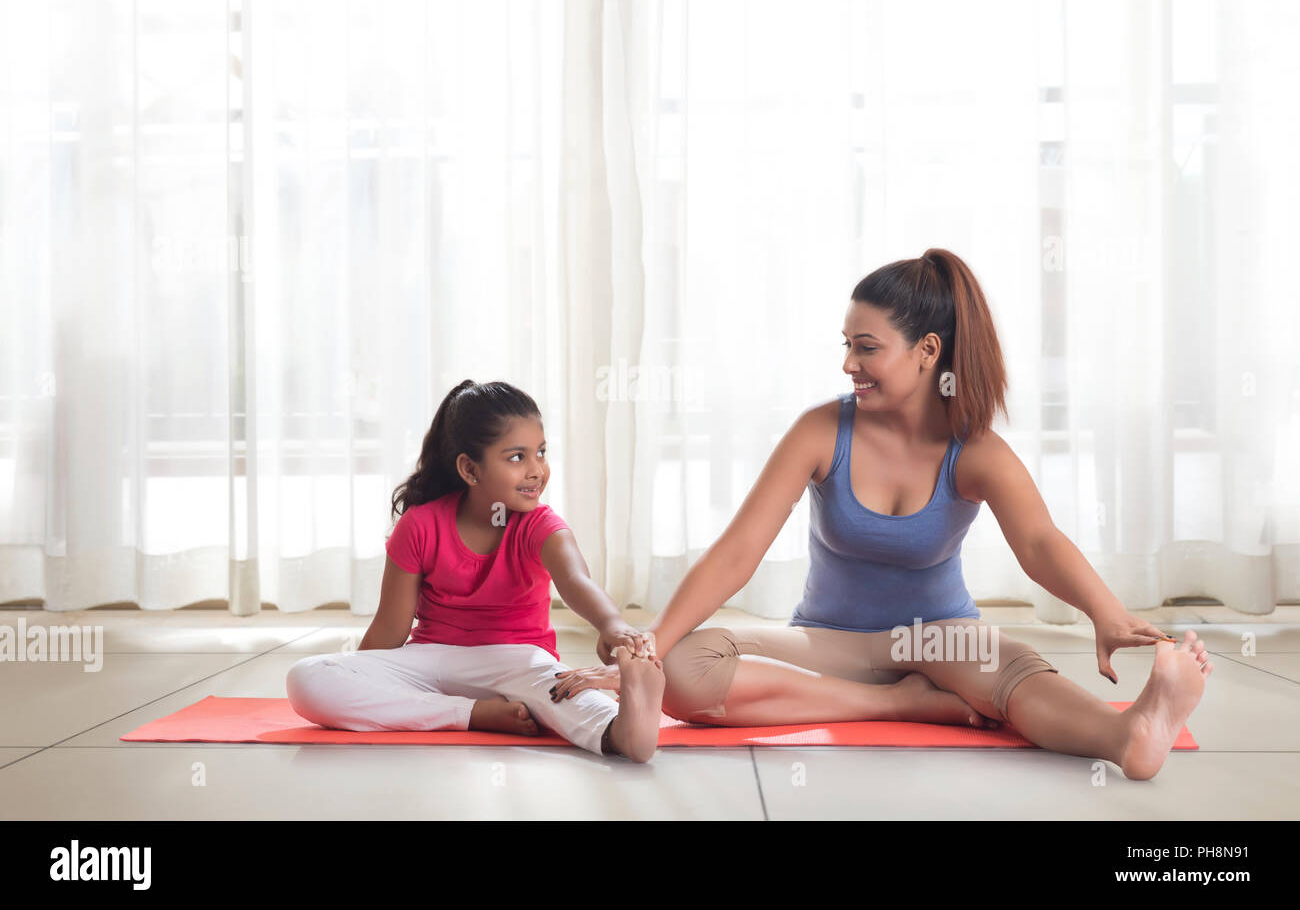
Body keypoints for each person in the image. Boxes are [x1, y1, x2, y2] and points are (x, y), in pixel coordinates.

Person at [554, 248, 1212, 780]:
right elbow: (736, 553)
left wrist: (1105, 611)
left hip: (938, 640)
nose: (848, 364)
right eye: (846, 345)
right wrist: (642, 659)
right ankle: (900, 702)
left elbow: (1039, 542)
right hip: (827, 642)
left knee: (1007, 663)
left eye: (866, 347)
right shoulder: (821, 431)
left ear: (927, 351)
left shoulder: (974, 449)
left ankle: (1129, 734)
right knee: (689, 665)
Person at [285, 380, 665, 762]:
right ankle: (471, 714)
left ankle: (627, 729)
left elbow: (576, 580)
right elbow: (389, 630)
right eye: (517, 457)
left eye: (541, 453)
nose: (537, 470)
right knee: (306, 679)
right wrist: (366, 673)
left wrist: (612, 625)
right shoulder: (420, 525)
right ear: (470, 469)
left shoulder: (541, 525)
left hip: (519, 661)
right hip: (433, 662)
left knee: (561, 691)